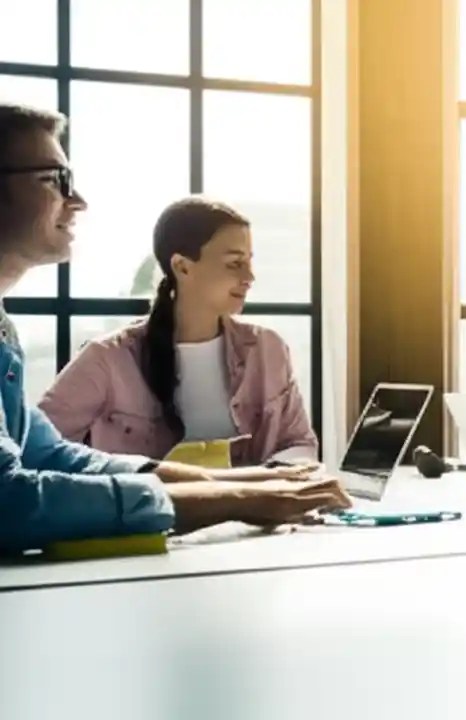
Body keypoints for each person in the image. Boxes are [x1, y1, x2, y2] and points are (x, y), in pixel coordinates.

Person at [0, 103, 349, 550]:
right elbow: (8, 501)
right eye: (55, 179)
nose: (79, 200)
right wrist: (235, 498)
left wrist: (235, 486)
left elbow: (48, 453)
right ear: (182, 267)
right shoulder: (108, 356)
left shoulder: (3, 332)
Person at [40, 196, 317, 466]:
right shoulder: (106, 360)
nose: (249, 277)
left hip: (258, 510)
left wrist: (274, 477)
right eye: (235, 263)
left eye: (249, 261)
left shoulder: (268, 349)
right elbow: (35, 448)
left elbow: (299, 443)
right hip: (151, 512)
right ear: (182, 266)